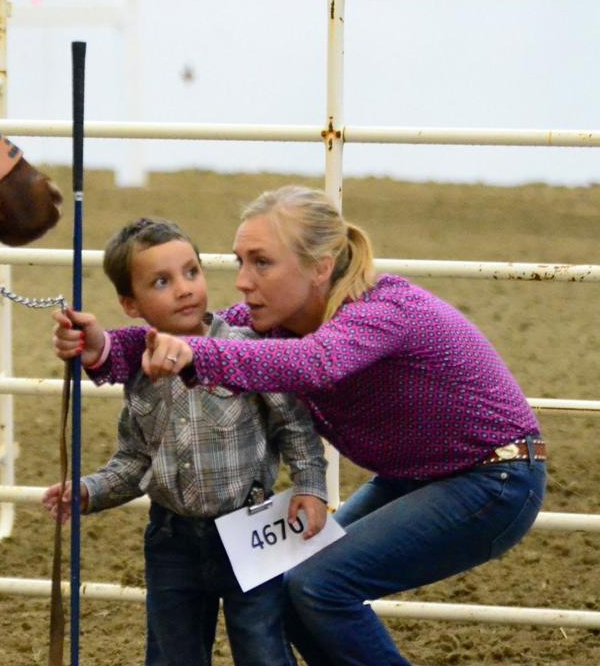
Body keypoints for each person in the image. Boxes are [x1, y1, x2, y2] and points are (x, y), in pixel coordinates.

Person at [58, 186, 546, 666]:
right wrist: (100, 346)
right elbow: (199, 338)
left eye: (262, 263)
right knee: (292, 588)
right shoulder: (275, 322)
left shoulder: (384, 310)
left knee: (320, 585)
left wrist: (193, 354)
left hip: (494, 478)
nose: (244, 281)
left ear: (320, 267)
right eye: (240, 261)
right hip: (421, 476)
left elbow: (316, 361)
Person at [45, 217, 328, 666]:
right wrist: (89, 491)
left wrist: (311, 486)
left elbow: (294, 427)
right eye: (162, 281)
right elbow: (136, 460)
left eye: (191, 272)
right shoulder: (139, 373)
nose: (184, 289)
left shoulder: (245, 351)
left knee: (263, 651)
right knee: (172, 657)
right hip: (171, 539)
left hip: (250, 530)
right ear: (130, 304)